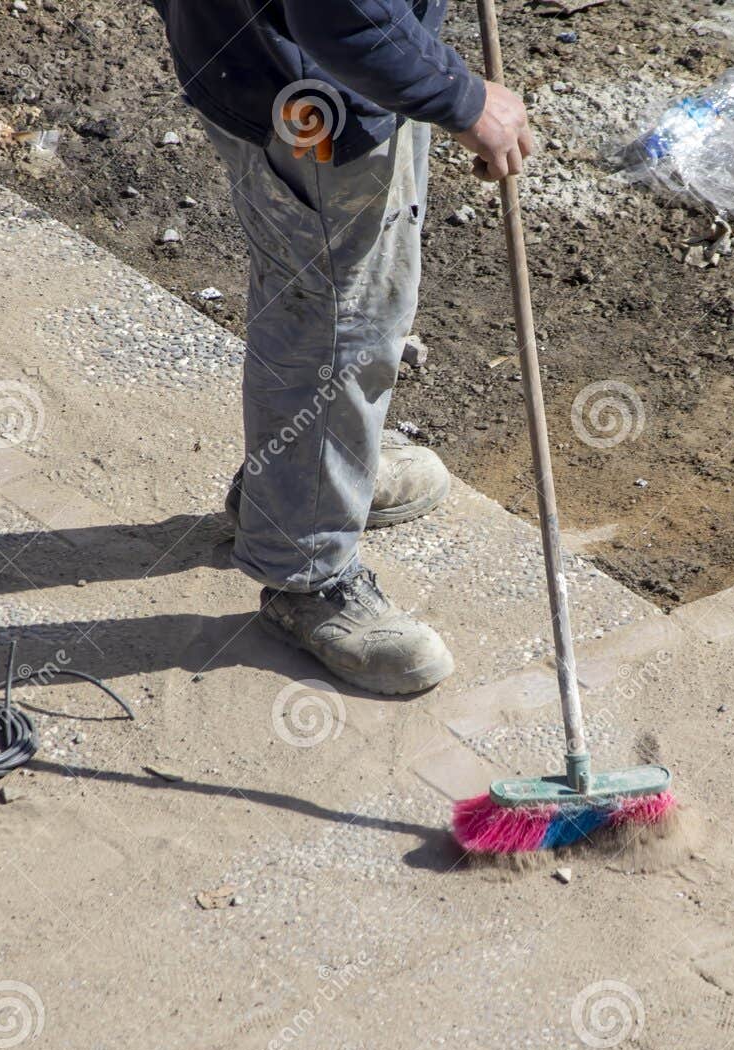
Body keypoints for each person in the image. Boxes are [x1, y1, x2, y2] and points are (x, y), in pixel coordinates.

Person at [150, 1, 533, 696]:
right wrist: (462, 97)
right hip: (313, 87)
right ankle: (304, 567)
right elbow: (342, 14)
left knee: (351, 297)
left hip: (280, 54)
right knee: (336, 322)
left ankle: (302, 482)